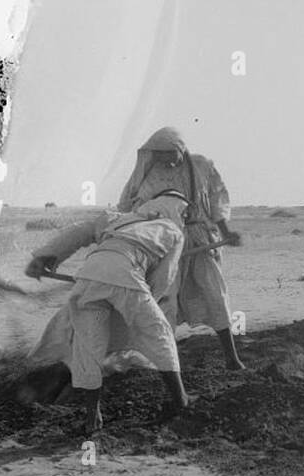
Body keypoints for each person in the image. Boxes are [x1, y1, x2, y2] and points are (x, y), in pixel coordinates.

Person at [24, 192, 195, 434]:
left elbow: (78, 232)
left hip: (88, 276)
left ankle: (93, 417)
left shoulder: (114, 218)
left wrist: (45, 258)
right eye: (185, 214)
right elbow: (163, 278)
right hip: (127, 275)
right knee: (159, 333)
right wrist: (144, 301)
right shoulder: (173, 231)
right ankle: (182, 401)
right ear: (177, 210)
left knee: (89, 345)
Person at [117, 126, 245, 371]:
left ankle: (232, 358)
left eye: (168, 154)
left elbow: (218, 198)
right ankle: (167, 363)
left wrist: (227, 232)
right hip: (164, 241)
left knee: (214, 293)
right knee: (166, 298)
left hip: (200, 240)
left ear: (180, 149)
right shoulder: (150, 175)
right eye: (159, 154)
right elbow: (135, 207)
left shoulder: (202, 165)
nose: (164, 160)